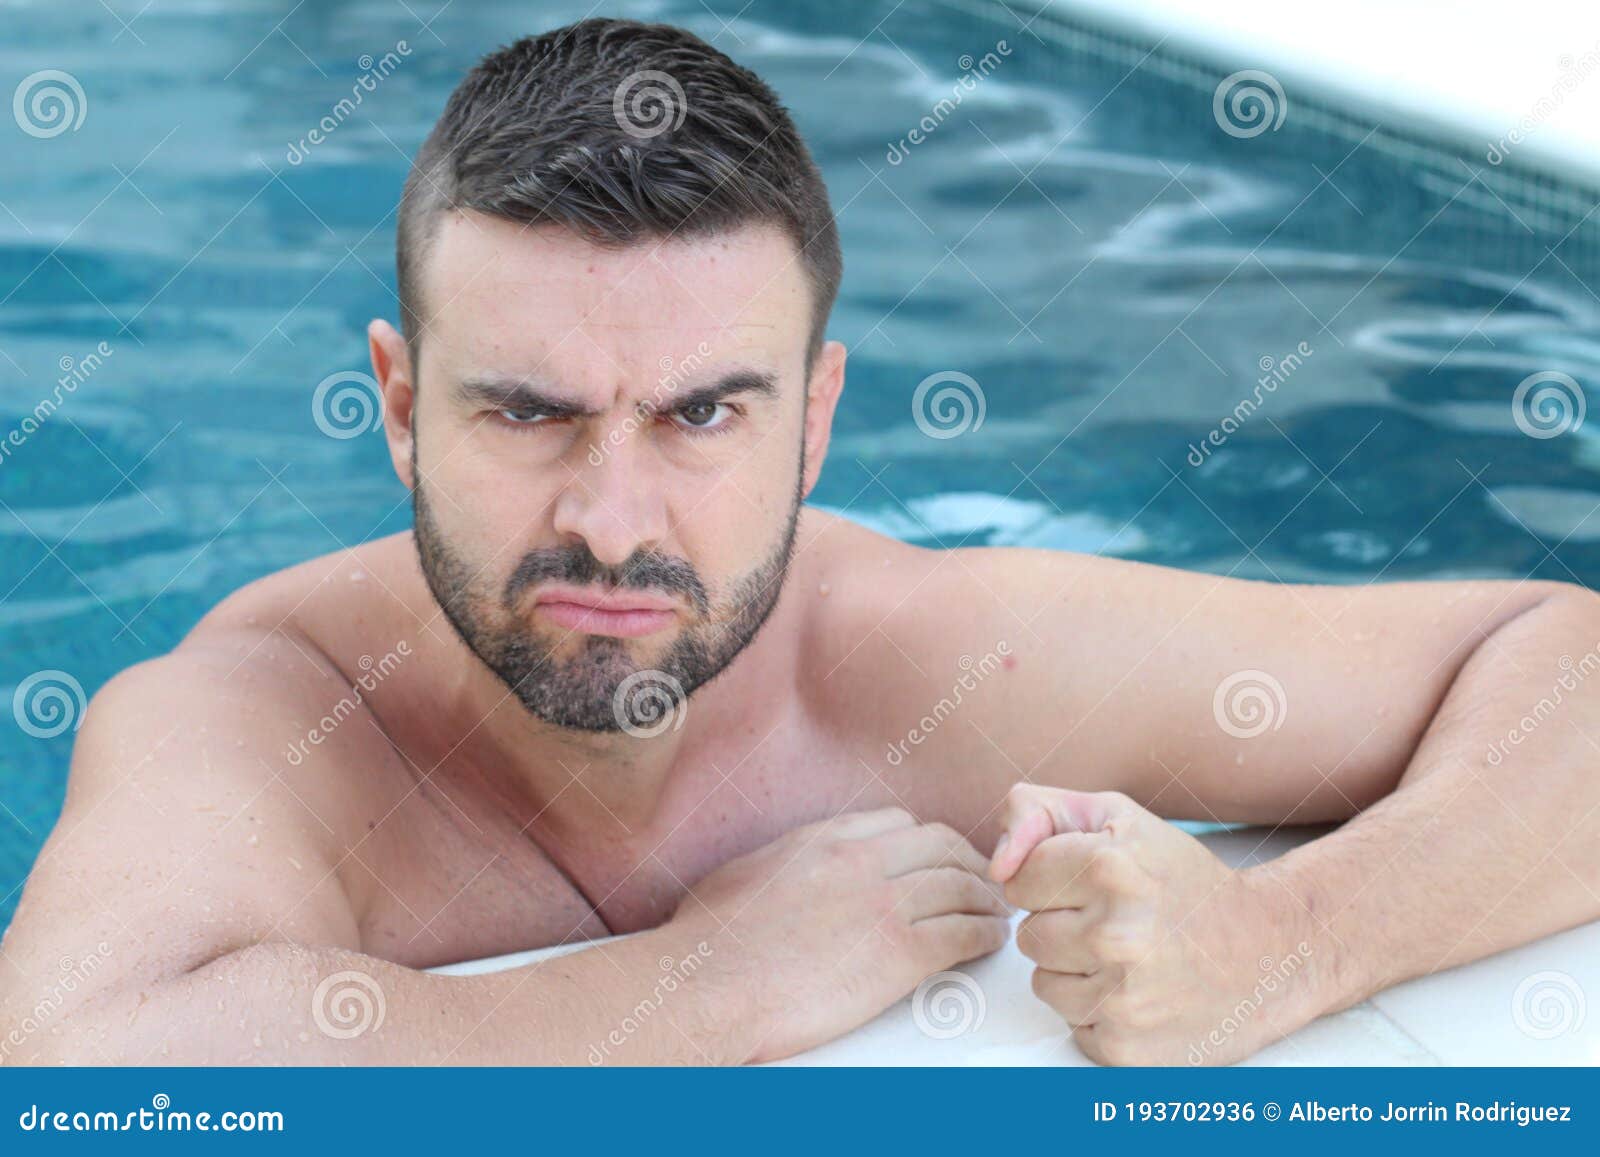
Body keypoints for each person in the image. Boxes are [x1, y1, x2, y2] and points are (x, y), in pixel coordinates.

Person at [4, 17, 1598, 1067]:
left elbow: (1562, 667)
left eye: (704, 415)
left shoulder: (915, 662)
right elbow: (73, 1061)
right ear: (400, 405)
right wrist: (703, 987)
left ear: (820, 421)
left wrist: (1276, 943)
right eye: (526, 413)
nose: (611, 525)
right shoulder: (266, 718)